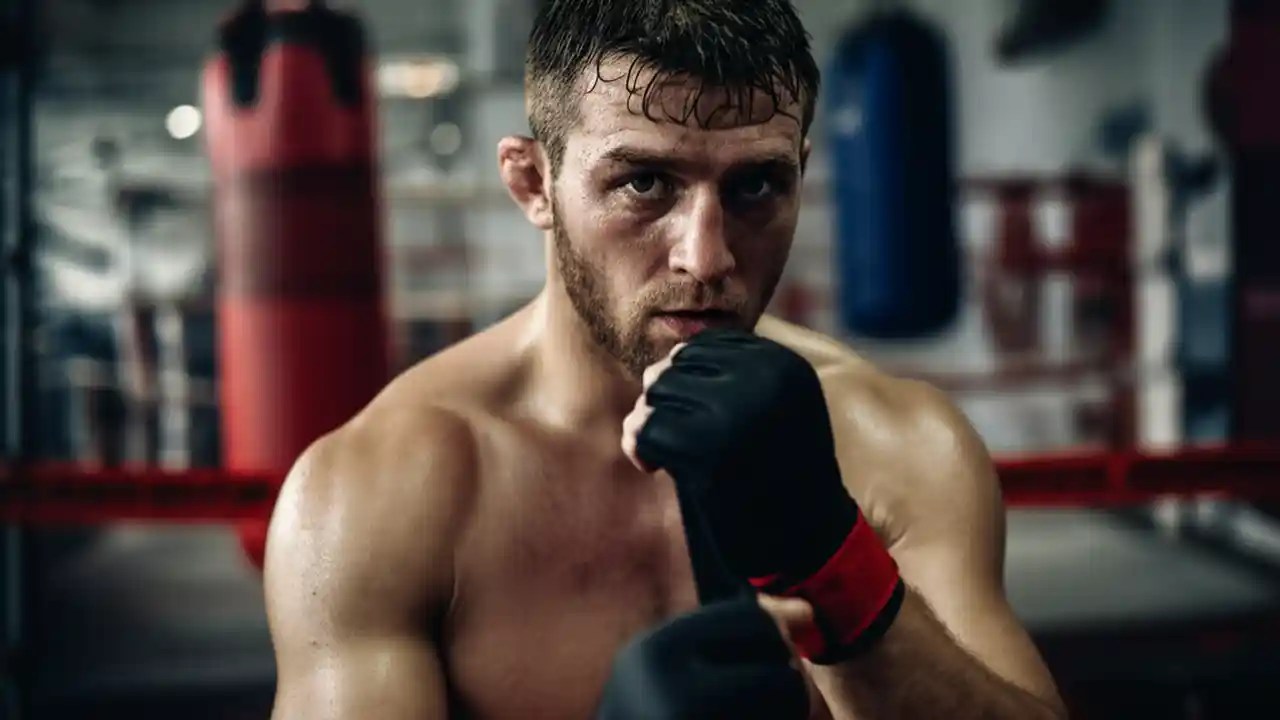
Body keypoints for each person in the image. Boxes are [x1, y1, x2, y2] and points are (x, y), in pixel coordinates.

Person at [264, 1, 1067, 718]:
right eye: (645, 183)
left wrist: (839, 573)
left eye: (755, 186)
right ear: (532, 183)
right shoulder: (377, 493)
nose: (707, 258)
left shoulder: (899, 444)